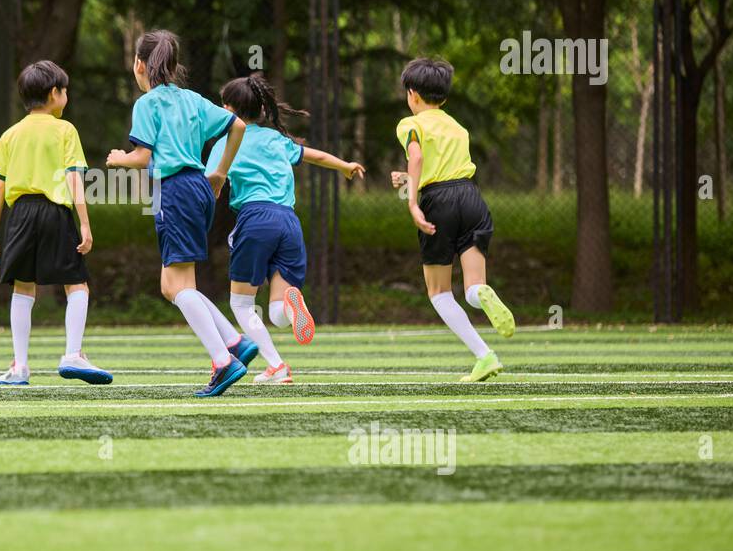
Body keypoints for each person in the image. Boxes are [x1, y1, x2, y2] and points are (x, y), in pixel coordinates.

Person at [107, 30, 255, 398]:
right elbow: (237, 125)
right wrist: (219, 171)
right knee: (171, 285)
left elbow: (141, 157)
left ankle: (223, 361)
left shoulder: (147, 104)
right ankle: (234, 341)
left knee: (178, 286)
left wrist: (118, 159)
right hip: (199, 189)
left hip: (173, 190)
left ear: (140, 65)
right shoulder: (191, 99)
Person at [208, 73, 364, 383]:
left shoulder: (228, 143)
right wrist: (345, 166)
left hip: (254, 219)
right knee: (278, 311)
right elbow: (315, 155)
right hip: (288, 221)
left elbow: (206, 181)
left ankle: (277, 365)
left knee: (240, 303)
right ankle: (293, 310)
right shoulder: (277, 139)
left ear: (229, 111)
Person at [0, 60, 111, 386]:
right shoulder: (65, 130)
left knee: (24, 288)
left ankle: (20, 366)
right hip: (55, 213)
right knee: (76, 284)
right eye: (65, 91)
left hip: (20, 214)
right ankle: (72, 354)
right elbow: (73, 180)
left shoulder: (11, 134)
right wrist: (84, 222)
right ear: (55, 93)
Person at [391, 57, 514, 382]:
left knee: (439, 292)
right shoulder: (458, 128)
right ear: (443, 98)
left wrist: (413, 202)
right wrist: (407, 179)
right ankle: (481, 295)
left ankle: (485, 355)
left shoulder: (409, 124)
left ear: (412, 94)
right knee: (474, 285)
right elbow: (444, 170)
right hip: (471, 198)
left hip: (438, 203)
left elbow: (418, 158)